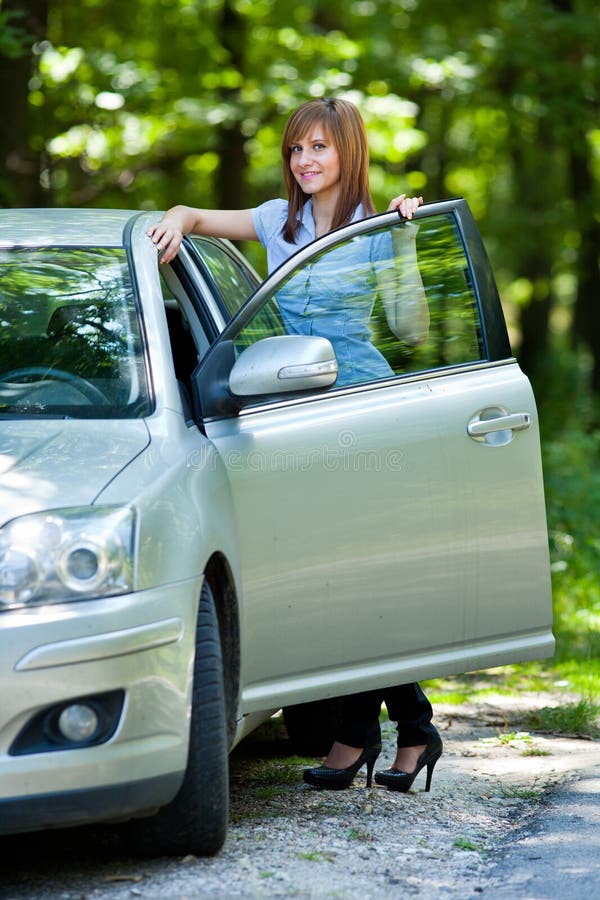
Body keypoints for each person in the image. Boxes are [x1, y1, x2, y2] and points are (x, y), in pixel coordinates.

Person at [148, 96, 442, 792]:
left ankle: (367, 735)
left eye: (319, 148)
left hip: (363, 408)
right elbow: (195, 218)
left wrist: (403, 242)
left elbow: (414, 331)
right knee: (334, 575)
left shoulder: (377, 226)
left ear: (348, 152)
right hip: (293, 409)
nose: (305, 161)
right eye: (295, 149)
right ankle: (400, 729)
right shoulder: (277, 222)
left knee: (363, 571)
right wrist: (176, 219)